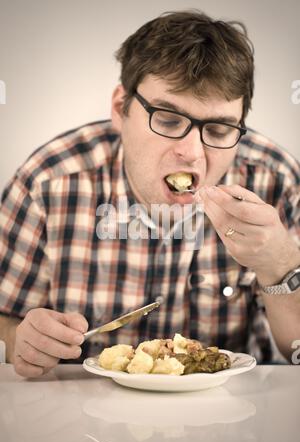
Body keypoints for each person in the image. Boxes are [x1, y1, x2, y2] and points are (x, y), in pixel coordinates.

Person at [0, 10, 299, 378]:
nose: (191, 152)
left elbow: (295, 354)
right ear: (119, 108)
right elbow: (5, 321)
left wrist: (280, 264)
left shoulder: (276, 181)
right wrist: (21, 341)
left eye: (219, 130)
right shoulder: (50, 181)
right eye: (169, 120)